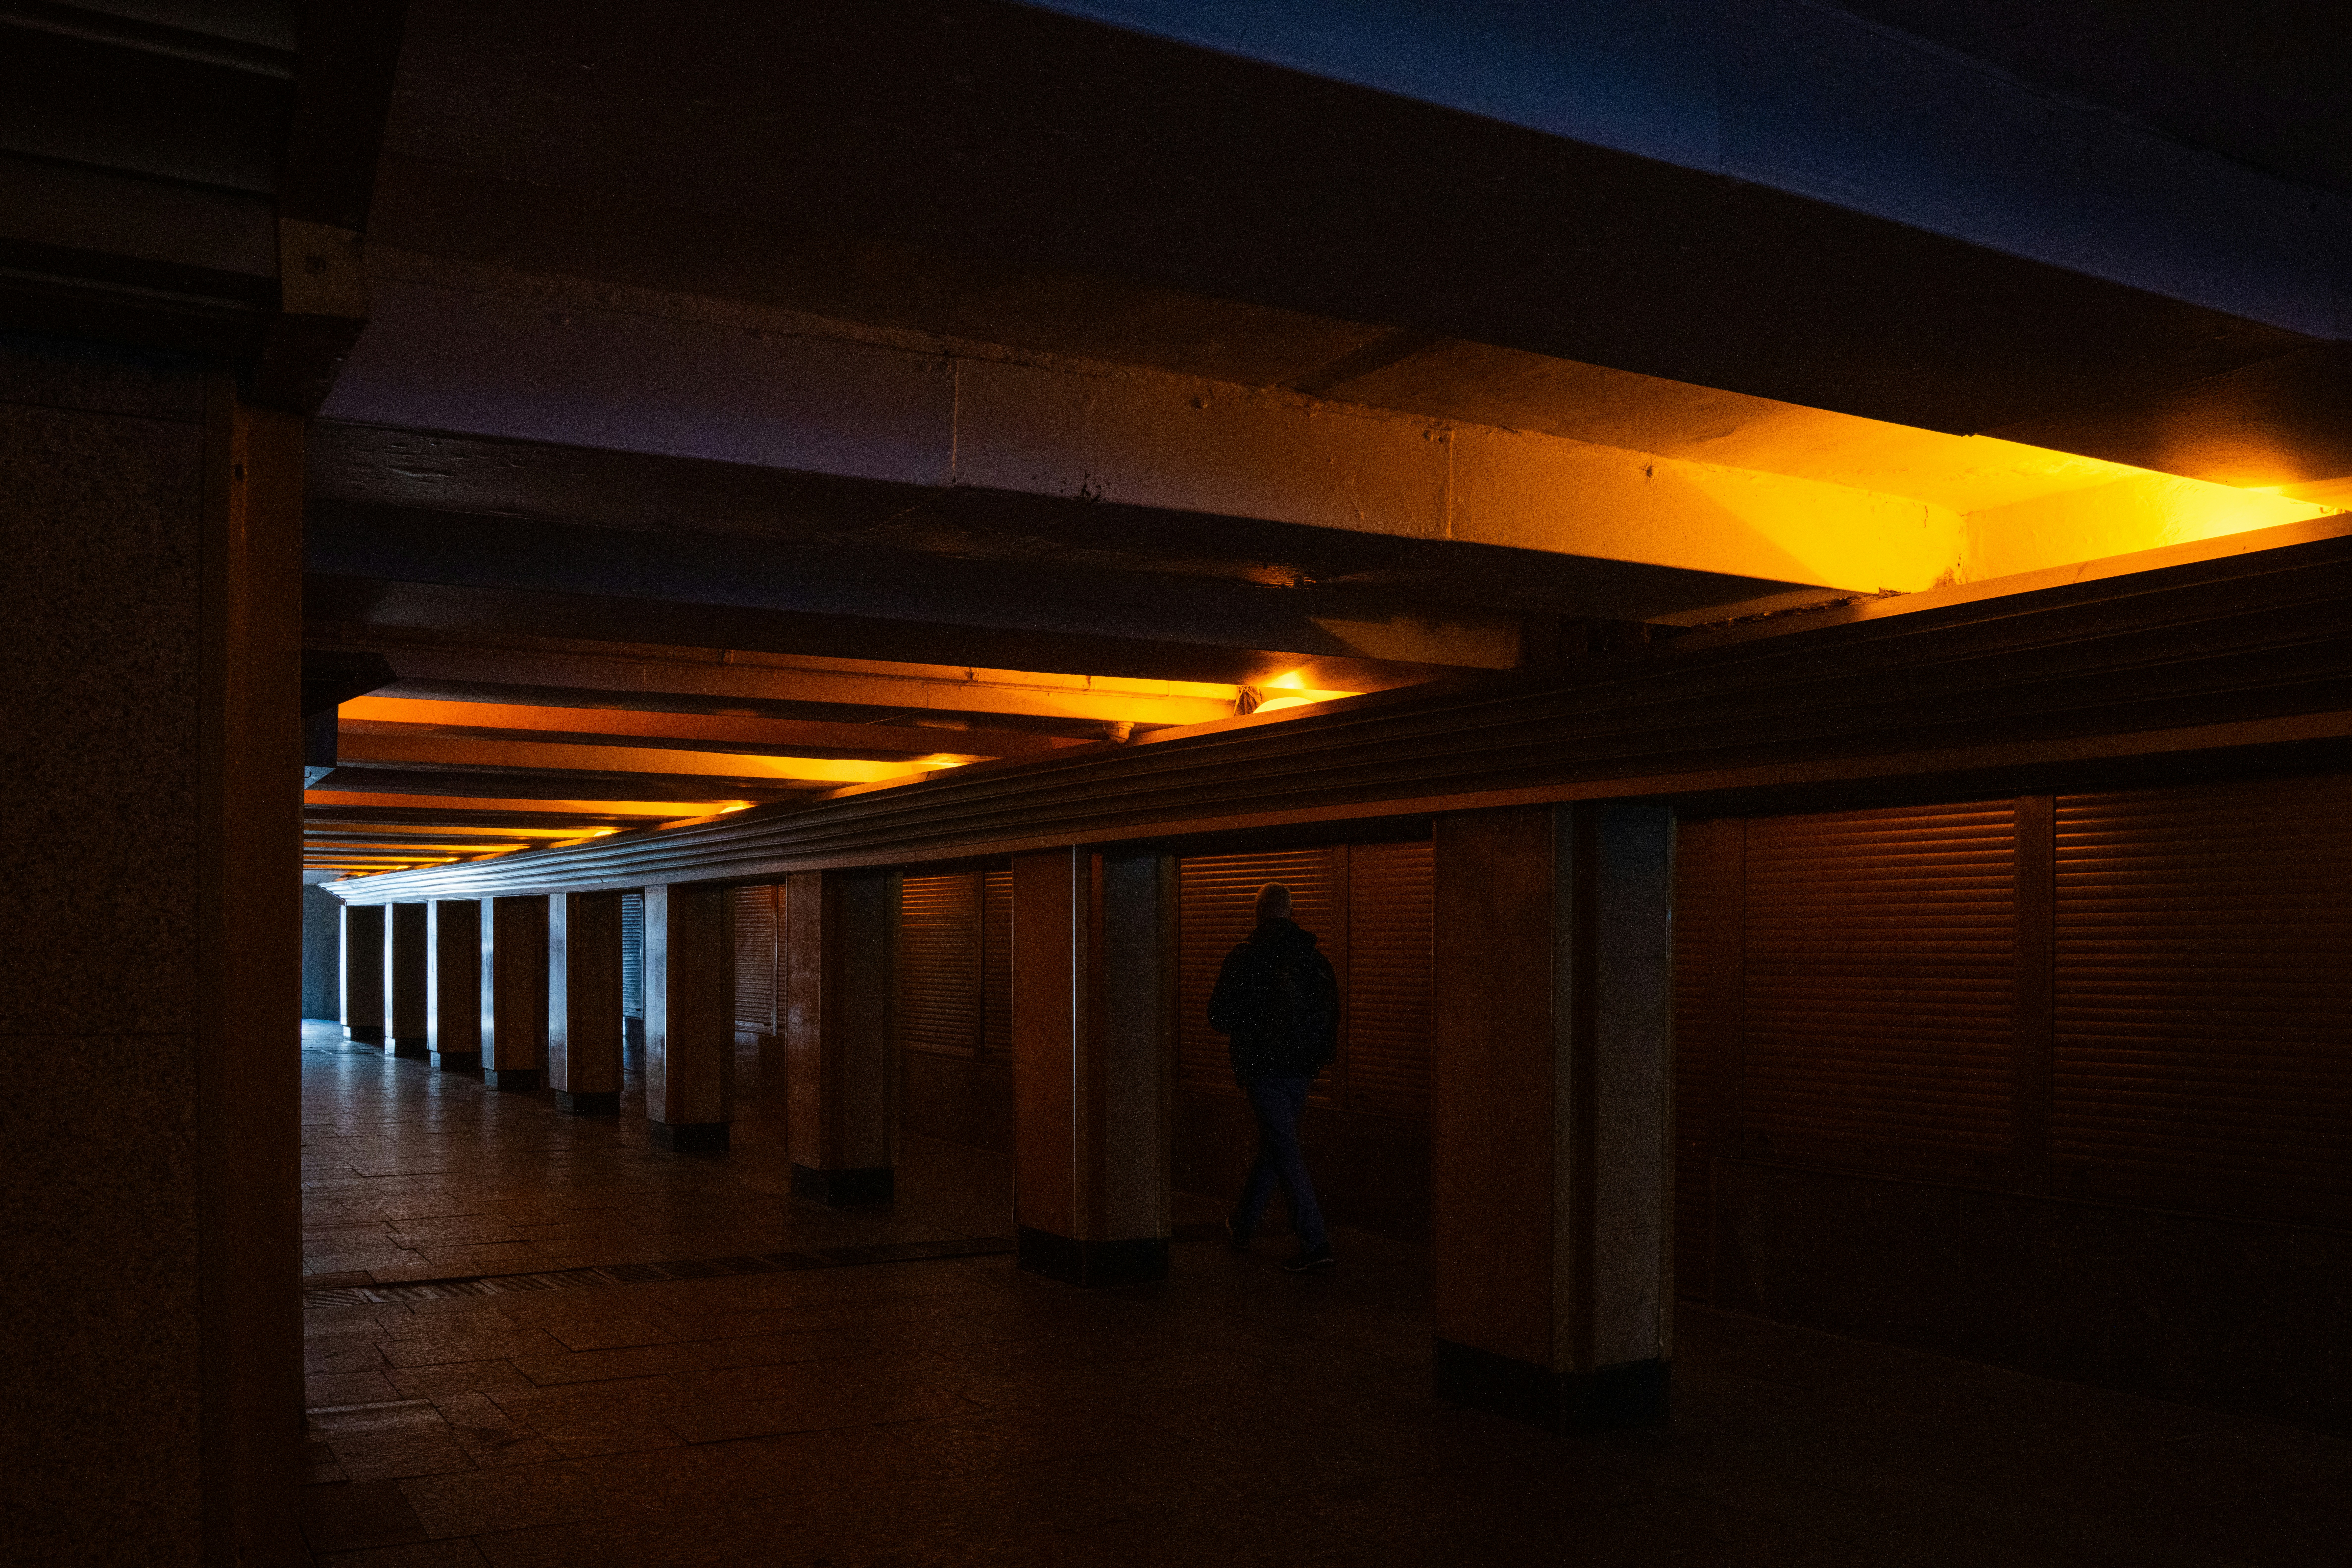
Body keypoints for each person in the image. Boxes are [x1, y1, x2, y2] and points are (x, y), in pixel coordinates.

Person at [1207, 881, 1339, 1272]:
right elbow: (1330, 1013)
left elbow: (1219, 1016)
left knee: (1284, 1149)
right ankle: (1243, 1224)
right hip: (1303, 1069)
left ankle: (1316, 1244)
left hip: (1263, 1070)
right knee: (1277, 1144)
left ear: (1259, 912)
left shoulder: (1245, 957)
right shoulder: (1315, 958)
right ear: (1291, 912)